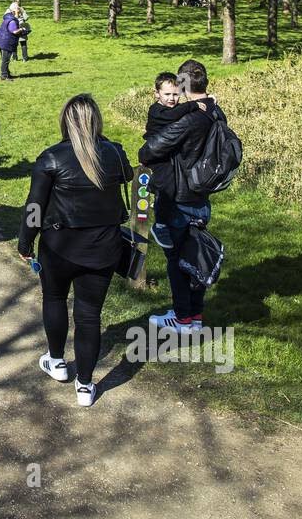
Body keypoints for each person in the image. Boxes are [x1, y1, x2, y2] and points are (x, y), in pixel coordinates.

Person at [18, 94, 133, 408]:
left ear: (64, 122)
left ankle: (56, 361)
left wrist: (25, 242)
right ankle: (84, 385)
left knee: (54, 299)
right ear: (97, 122)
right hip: (103, 249)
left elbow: (34, 207)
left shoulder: (51, 158)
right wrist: (103, 141)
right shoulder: (113, 154)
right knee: (89, 316)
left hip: (59, 248)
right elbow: (129, 174)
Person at [139, 59, 225, 335]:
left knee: (177, 261)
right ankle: (195, 316)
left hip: (179, 196)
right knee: (196, 254)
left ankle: (183, 318)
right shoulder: (214, 110)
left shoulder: (191, 118)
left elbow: (149, 151)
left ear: (184, 84)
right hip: (202, 193)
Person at [146, 71, 202, 138]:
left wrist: (208, 98)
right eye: (167, 94)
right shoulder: (155, 111)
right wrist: (191, 105)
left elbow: (180, 109)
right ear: (157, 93)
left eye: (175, 94)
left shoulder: (176, 108)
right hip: (156, 145)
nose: (171, 98)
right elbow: (172, 115)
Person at [0, 2, 24, 80]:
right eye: (17, 8)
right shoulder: (12, 20)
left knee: (5, 60)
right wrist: (22, 29)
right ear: (13, 10)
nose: (19, 9)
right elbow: (14, 31)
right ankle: (4, 76)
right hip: (6, 42)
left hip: (1, 41)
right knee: (5, 60)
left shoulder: (8, 16)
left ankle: (7, 74)